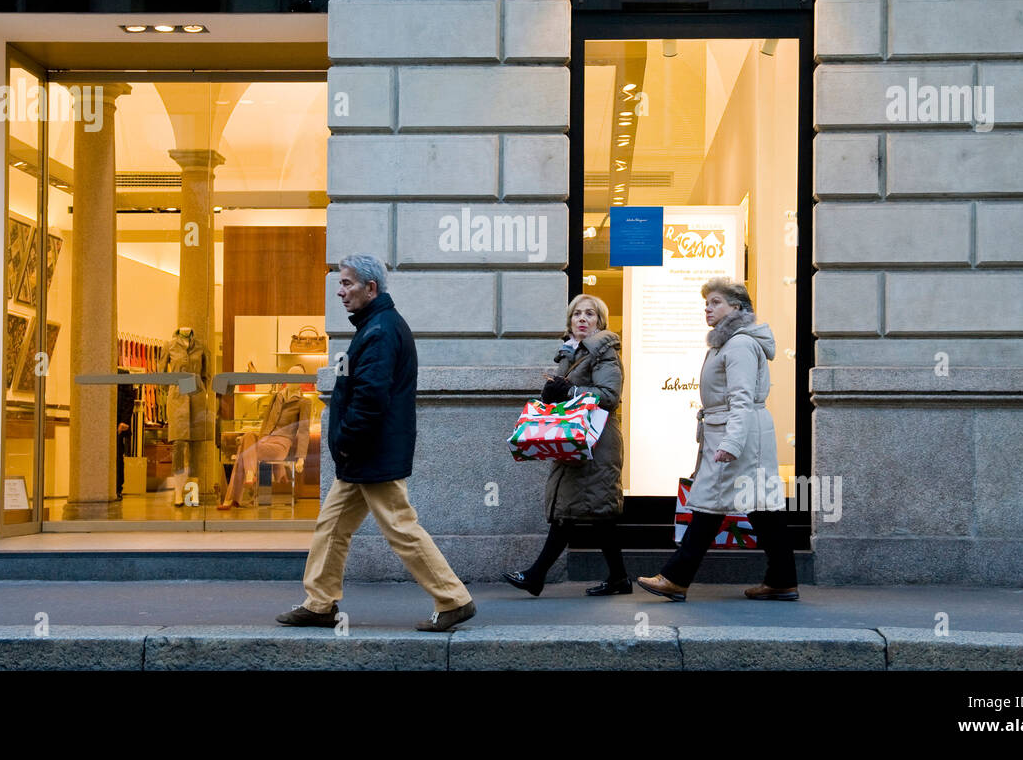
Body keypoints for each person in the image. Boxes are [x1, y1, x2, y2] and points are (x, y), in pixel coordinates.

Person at [277, 254, 477, 632]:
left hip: (371, 453)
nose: (340, 291)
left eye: (347, 283)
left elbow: (370, 397)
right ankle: (319, 602)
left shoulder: (380, 331)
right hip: (364, 455)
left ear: (371, 288)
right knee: (332, 526)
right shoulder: (373, 326)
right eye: (340, 282)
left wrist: (347, 441)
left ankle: (454, 599)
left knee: (400, 527)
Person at [637, 279, 799, 602]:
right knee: (761, 507)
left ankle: (675, 578)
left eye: (715, 302)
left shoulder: (738, 345)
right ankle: (783, 579)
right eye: (706, 303)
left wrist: (731, 444)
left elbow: (741, 399)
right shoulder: (727, 344)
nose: (707, 308)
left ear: (736, 308)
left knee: (711, 505)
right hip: (735, 433)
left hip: (735, 435)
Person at [503, 294, 630, 597]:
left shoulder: (604, 353)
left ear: (600, 322)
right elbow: (566, 397)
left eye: (590, 314)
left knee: (580, 512)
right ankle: (619, 579)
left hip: (596, 443)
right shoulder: (571, 354)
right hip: (573, 440)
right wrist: (553, 394)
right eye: (576, 314)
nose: (582, 319)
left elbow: (609, 395)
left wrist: (570, 389)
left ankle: (537, 576)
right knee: (588, 512)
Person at [218, 366, 307, 510]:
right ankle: (248, 475)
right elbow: (266, 421)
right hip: (265, 439)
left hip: (281, 445)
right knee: (248, 436)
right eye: (291, 375)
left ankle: (232, 497)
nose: (293, 380)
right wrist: (258, 439)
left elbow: (303, 431)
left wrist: (301, 457)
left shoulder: (303, 402)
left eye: (298, 377)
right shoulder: (277, 397)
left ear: (302, 380)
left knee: (244, 452)